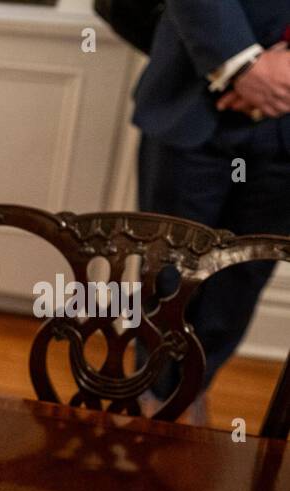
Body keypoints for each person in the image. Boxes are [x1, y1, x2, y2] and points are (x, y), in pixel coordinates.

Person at [132, 0, 290, 420]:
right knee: (167, 271)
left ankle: (192, 389)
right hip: (193, 97)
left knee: (242, 282)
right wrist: (242, 65)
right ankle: (150, 398)